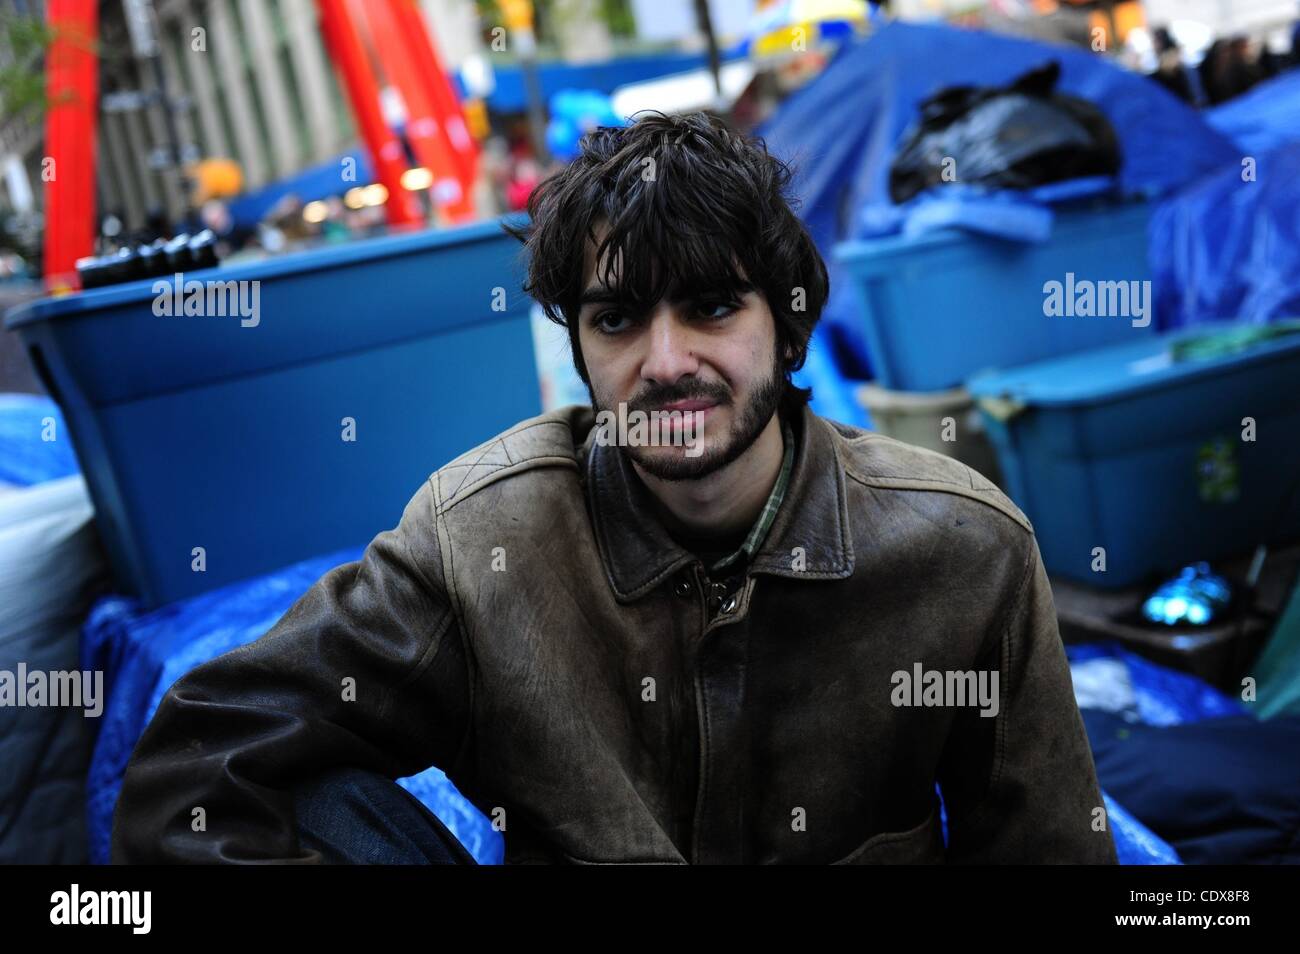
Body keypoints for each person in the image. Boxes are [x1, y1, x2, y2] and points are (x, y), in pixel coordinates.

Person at [111, 111, 1116, 865]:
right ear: (580, 355)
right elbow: (200, 761)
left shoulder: (960, 549)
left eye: (713, 305)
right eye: (619, 318)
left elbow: (1049, 852)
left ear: (788, 323)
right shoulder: (484, 544)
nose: (666, 359)